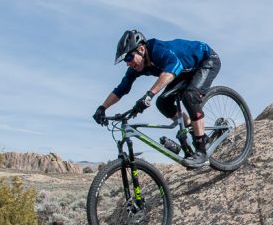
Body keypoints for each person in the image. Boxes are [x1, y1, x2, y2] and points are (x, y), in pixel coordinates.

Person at [93, 29, 220, 169]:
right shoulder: (136, 68)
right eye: (125, 61)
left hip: (206, 60)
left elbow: (174, 66)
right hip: (184, 72)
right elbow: (122, 89)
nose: (128, 64)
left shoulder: (157, 50)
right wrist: (102, 108)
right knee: (162, 103)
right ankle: (196, 131)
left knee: (190, 96)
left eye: (129, 58)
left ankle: (202, 152)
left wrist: (149, 95)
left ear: (141, 49)